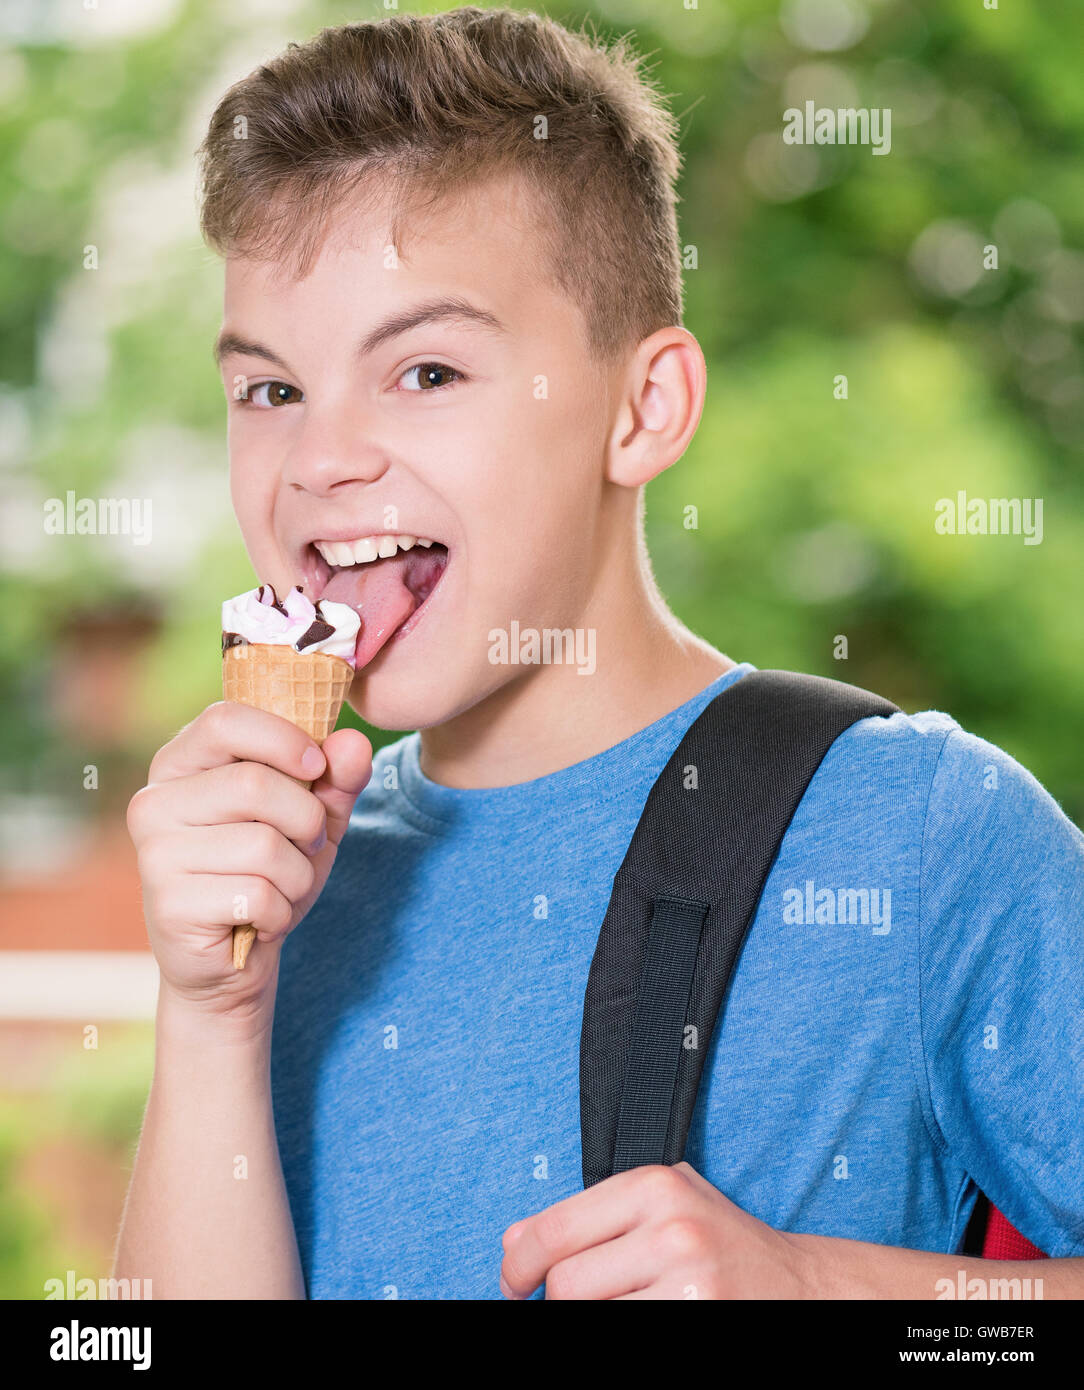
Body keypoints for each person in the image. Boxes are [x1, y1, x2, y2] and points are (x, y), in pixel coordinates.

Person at [115, 9, 1084, 1299]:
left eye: (426, 372)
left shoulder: (921, 828)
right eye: (272, 391)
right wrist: (210, 1014)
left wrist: (817, 1287)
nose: (319, 458)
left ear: (644, 407)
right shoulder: (281, 883)